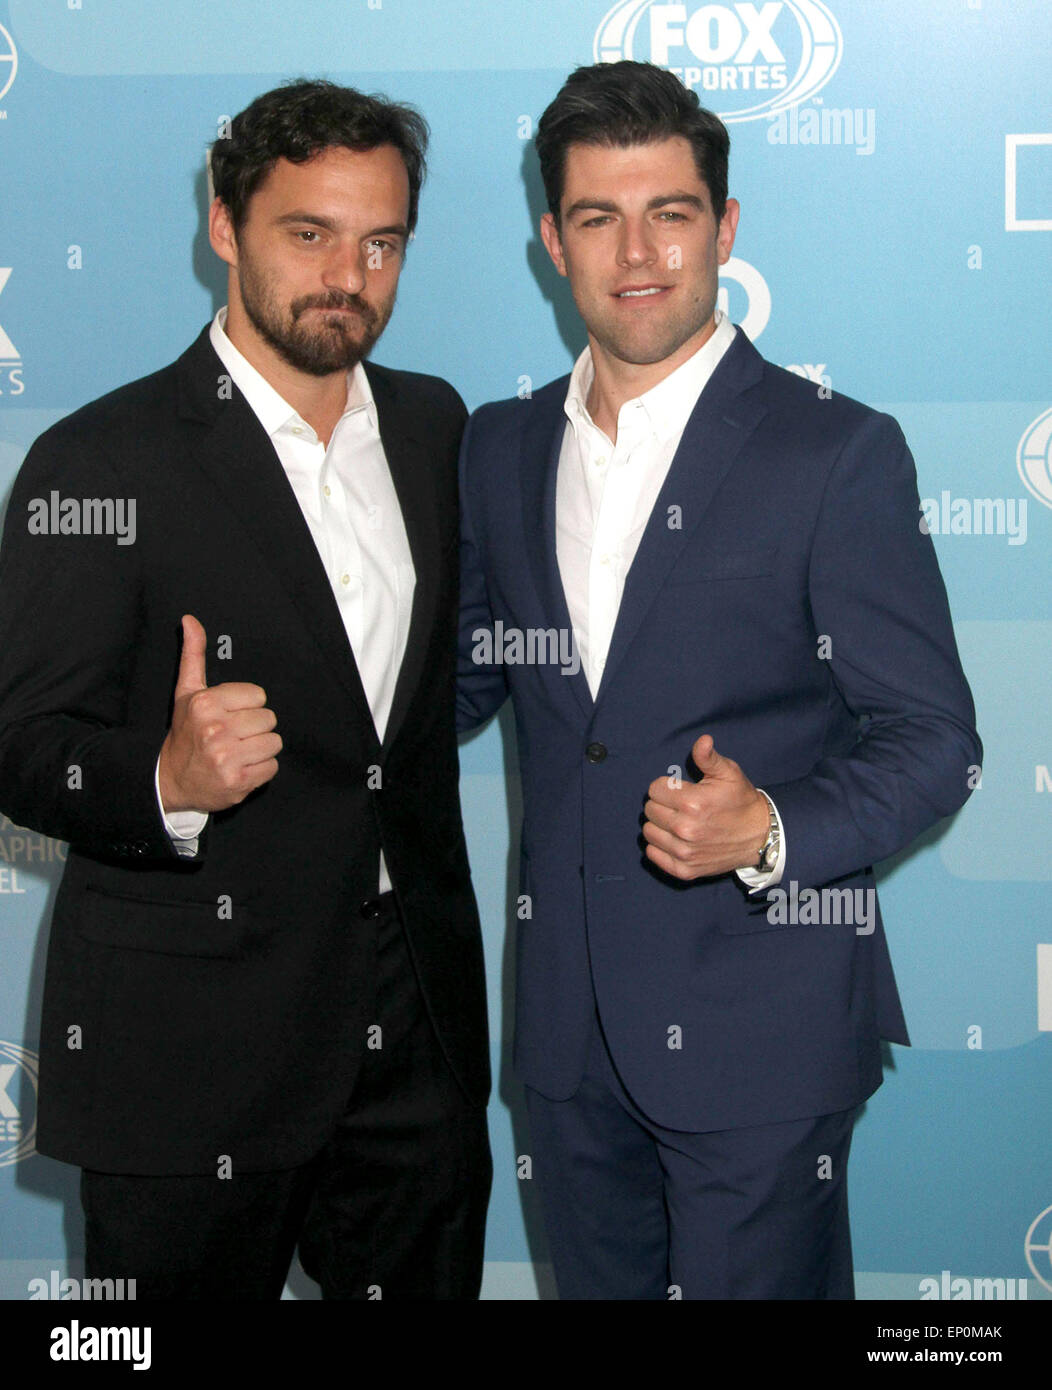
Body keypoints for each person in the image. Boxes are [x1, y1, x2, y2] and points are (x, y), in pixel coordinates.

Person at [457, 60, 979, 1300]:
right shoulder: (497, 445)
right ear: (552, 242)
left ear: (725, 227)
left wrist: (773, 827)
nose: (636, 252)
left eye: (670, 213)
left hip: (762, 1031)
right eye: (597, 217)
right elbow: (462, 684)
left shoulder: (834, 450)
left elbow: (933, 739)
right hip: (567, 1040)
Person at [0, 79, 490, 1300]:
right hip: (188, 1042)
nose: (347, 275)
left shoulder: (436, 430)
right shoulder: (99, 461)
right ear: (223, 226)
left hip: (413, 1039)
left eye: (380, 242)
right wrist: (163, 778)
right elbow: (18, 742)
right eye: (308, 233)